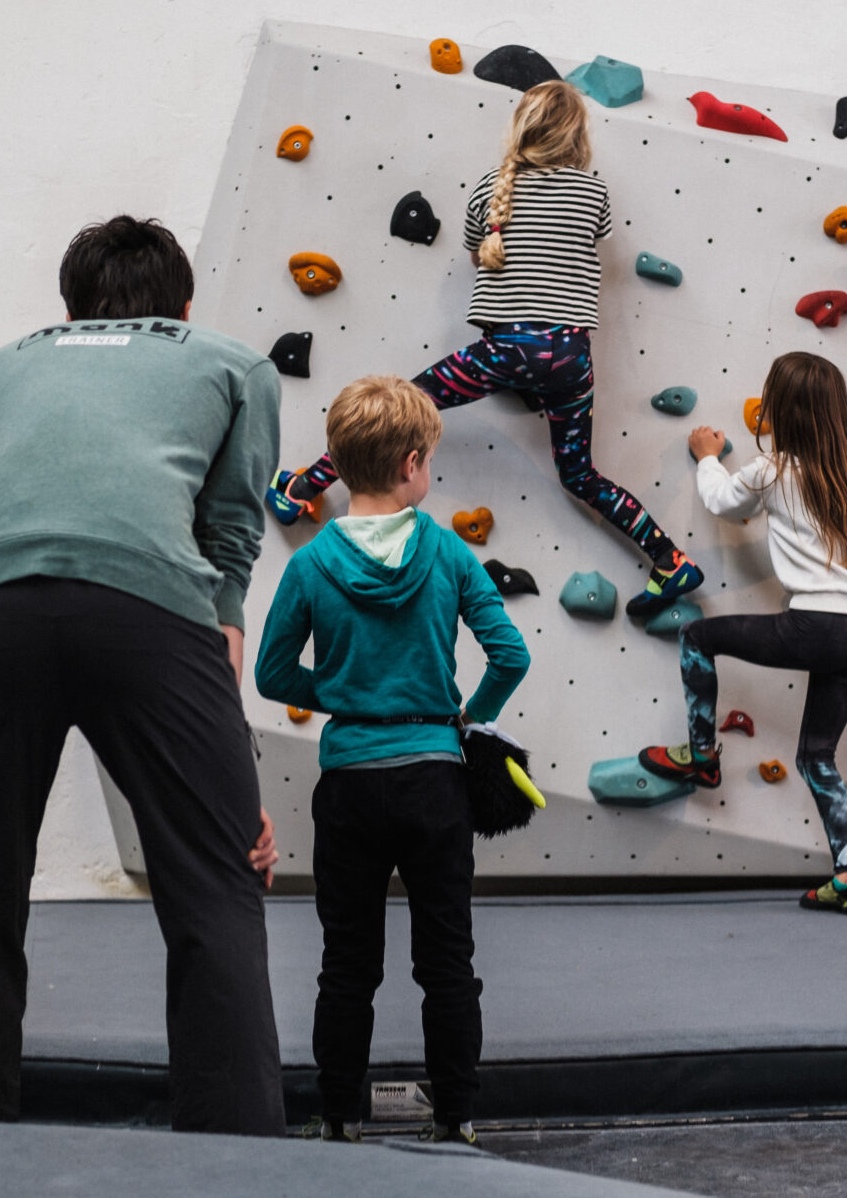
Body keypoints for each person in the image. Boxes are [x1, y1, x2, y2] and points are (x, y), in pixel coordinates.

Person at [0, 215, 286, 1133]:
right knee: (216, 886)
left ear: (69, 308)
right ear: (186, 305)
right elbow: (227, 549)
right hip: (148, 606)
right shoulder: (234, 363)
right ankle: (238, 1161)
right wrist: (226, 766)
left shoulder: (3, 365)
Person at [267, 79, 704, 619]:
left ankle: (300, 488)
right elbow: (585, 244)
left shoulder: (487, 191)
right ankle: (669, 558)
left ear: (520, 128)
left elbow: (483, 258)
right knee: (580, 475)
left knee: (392, 413)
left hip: (508, 351)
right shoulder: (595, 192)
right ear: (576, 135)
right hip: (569, 358)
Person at [254, 376, 529, 1146]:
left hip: (349, 784)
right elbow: (510, 653)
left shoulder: (310, 564)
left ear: (338, 465)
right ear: (413, 463)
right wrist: (467, 713)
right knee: (447, 957)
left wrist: (341, 689)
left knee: (347, 959)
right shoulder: (445, 551)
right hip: (435, 779)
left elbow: (273, 674)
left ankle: (338, 1113)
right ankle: (456, 1115)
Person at [637, 353, 847, 917]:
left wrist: (706, 458)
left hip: (814, 626)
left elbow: (723, 502)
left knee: (699, 638)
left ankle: (701, 756)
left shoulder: (772, 470)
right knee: (817, 757)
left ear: (776, 410)